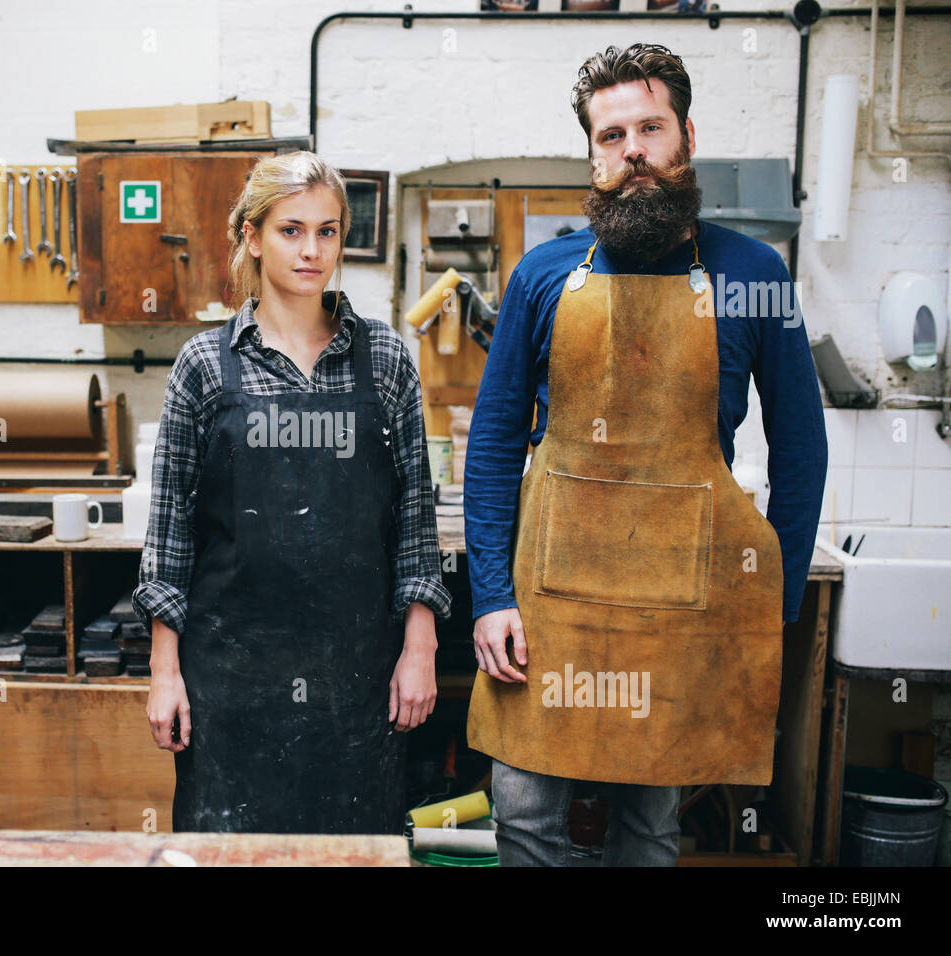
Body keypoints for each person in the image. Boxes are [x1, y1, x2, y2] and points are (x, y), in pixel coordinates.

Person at [464, 43, 828, 866]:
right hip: (551, 598)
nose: (632, 150)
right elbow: (491, 447)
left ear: (685, 137)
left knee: (650, 828)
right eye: (610, 134)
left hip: (683, 606)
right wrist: (491, 595)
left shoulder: (753, 273)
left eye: (650, 128)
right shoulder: (543, 275)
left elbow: (802, 451)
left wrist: (772, 605)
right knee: (522, 814)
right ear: (592, 154)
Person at [133, 151, 452, 834]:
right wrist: (165, 671)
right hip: (231, 678)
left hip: (356, 682)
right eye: (291, 230)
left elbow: (414, 526)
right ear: (251, 236)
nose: (313, 250)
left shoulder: (385, 359)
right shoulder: (204, 366)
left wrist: (418, 651)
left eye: (329, 231)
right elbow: (168, 538)